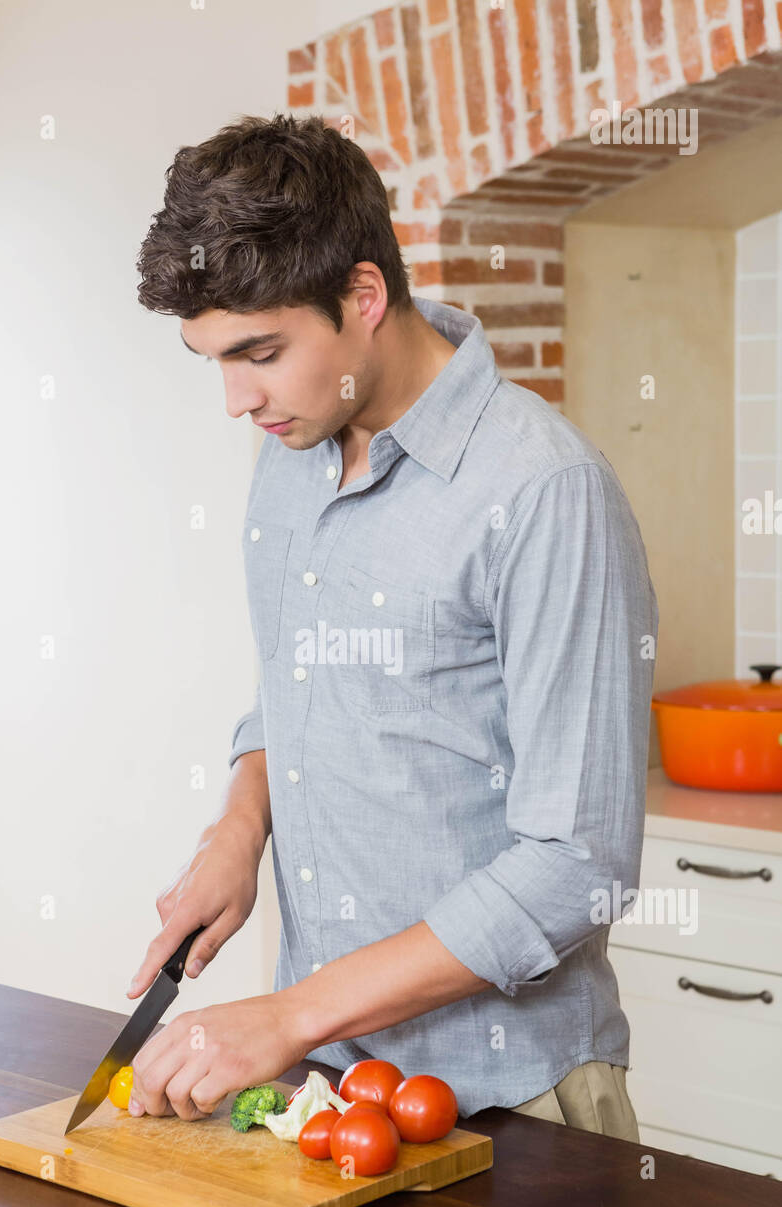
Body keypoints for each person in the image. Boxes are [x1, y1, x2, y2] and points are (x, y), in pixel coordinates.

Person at [129, 112, 657, 1141]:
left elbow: (576, 865)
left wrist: (285, 1014)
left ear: (363, 295)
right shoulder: (290, 456)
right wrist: (240, 826)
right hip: (319, 1099)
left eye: (261, 351)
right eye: (215, 362)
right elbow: (296, 686)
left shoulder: (545, 491)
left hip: (515, 1106)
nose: (238, 400)